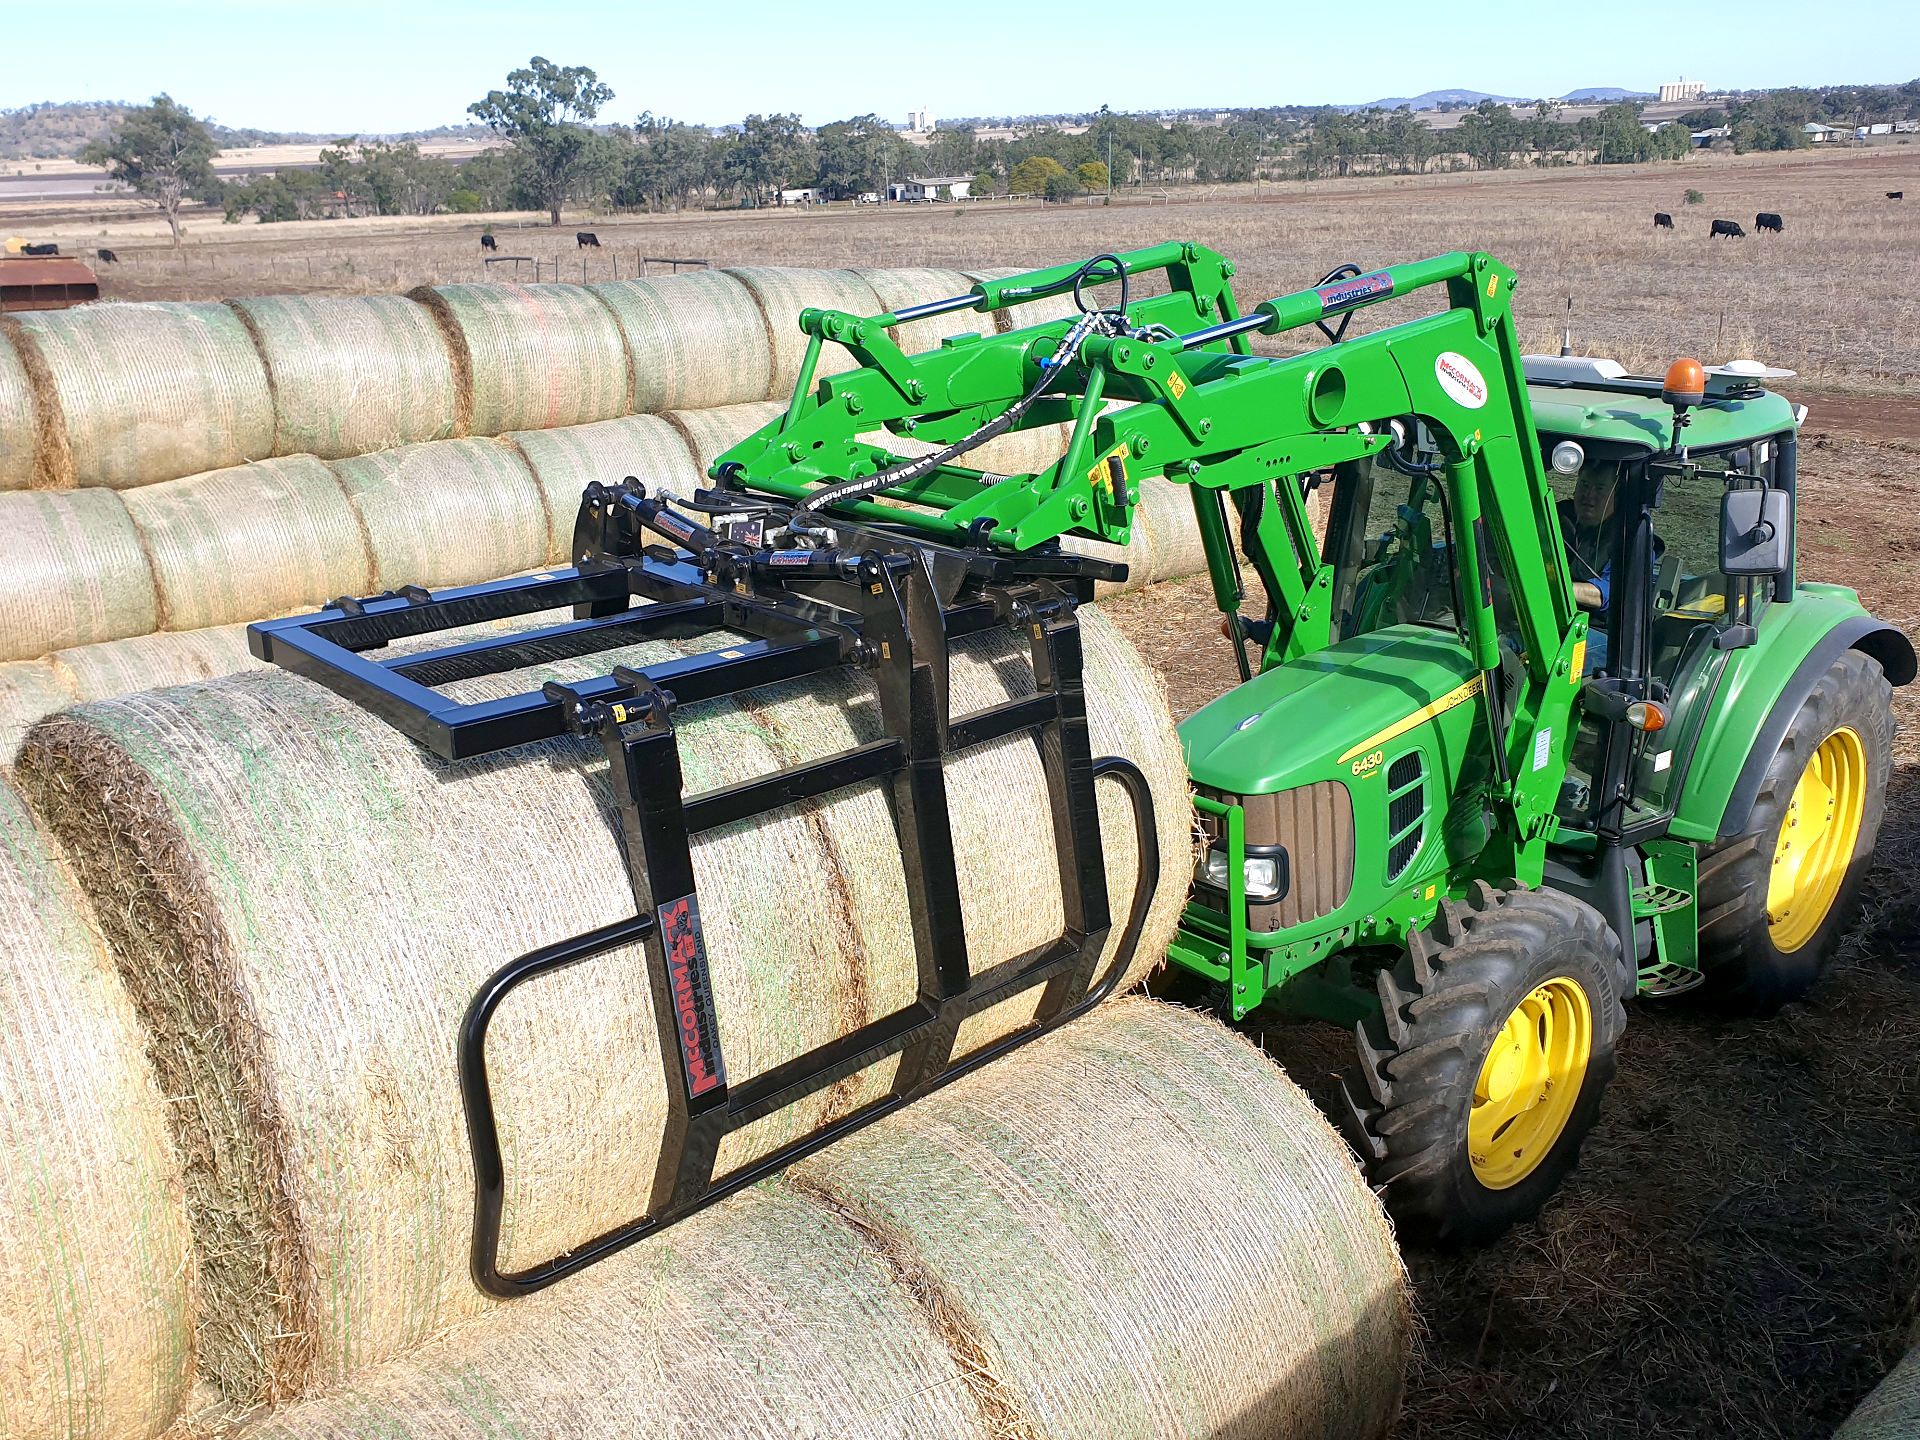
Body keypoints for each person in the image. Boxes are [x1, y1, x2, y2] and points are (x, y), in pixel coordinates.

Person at [1557, 462, 1660, 674]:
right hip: (1551, 620)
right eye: (1584, 485)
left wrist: (1548, 588)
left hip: (1602, 634)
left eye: (1600, 489)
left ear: (1617, 495)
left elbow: (1605, 594)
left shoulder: (1632, 538)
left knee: (1551, 663)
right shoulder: (1556, 518)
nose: (1589, 495)